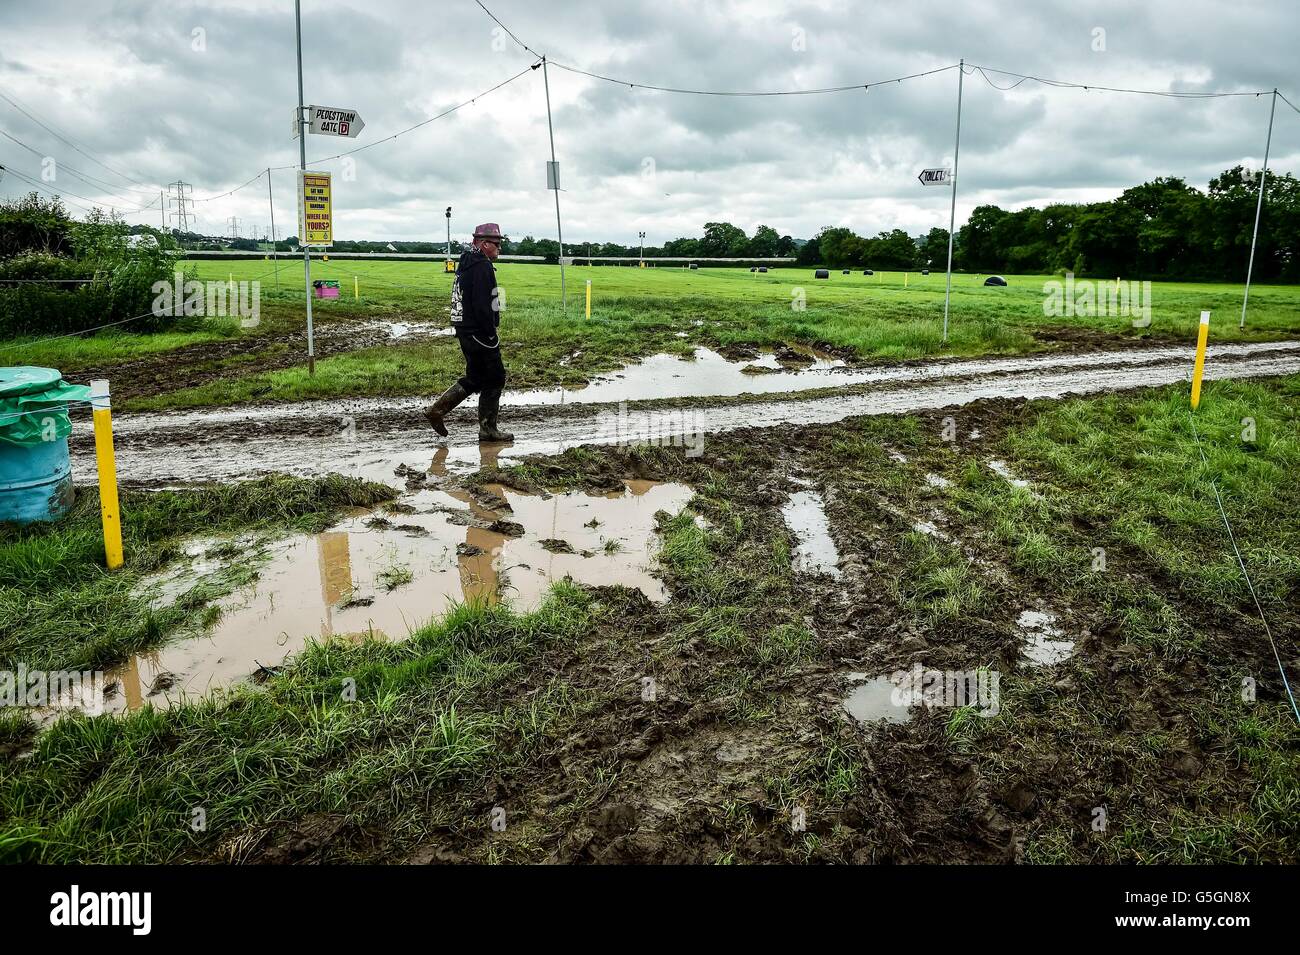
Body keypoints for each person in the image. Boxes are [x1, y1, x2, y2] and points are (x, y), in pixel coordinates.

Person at [424, 222, 513, 442]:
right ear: (484, 244)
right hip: (478, 332)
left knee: (475, 377)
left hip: (464, 329)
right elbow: (483, 304)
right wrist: (491, 332)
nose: (499, 248)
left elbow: (488, 298)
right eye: (497, 244)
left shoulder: (467, 263)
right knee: (496, 377)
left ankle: (437, 410)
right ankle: (488, 429)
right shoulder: (481, 266)